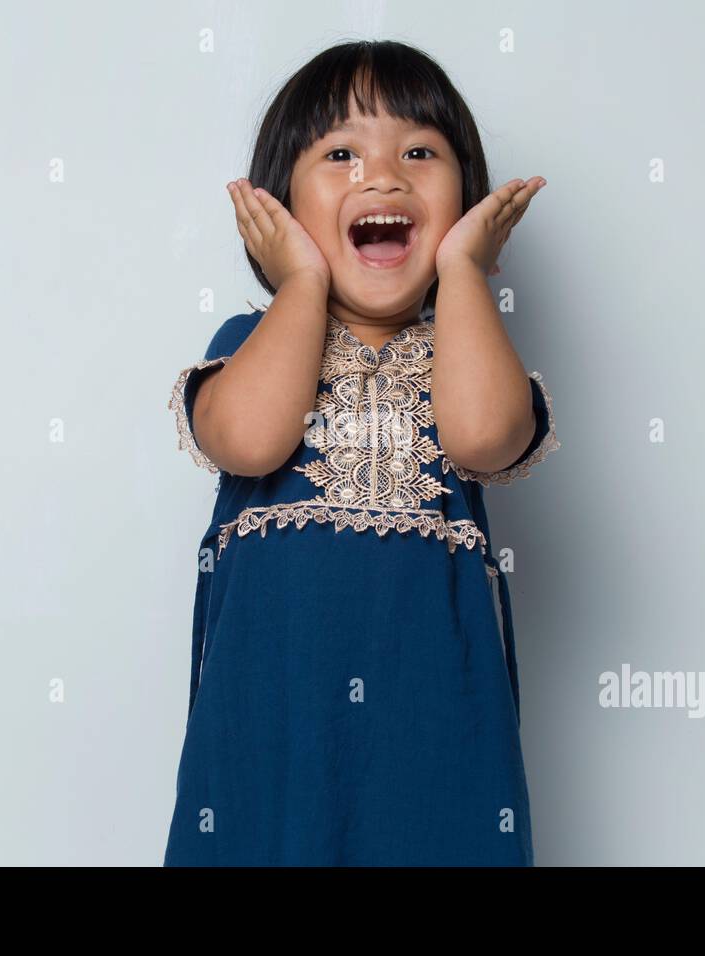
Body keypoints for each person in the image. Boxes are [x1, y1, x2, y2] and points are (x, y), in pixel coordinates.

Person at [163, 39, 557, 865]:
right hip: (273, 737)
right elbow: (251, 436)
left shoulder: (466, 355)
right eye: (340, 154)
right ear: (279, 211)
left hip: (436, 734)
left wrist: (465, 275)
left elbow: (485, 434)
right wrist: (301, 284)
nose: (383, 176)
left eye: (420, 152)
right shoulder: (248, 345)